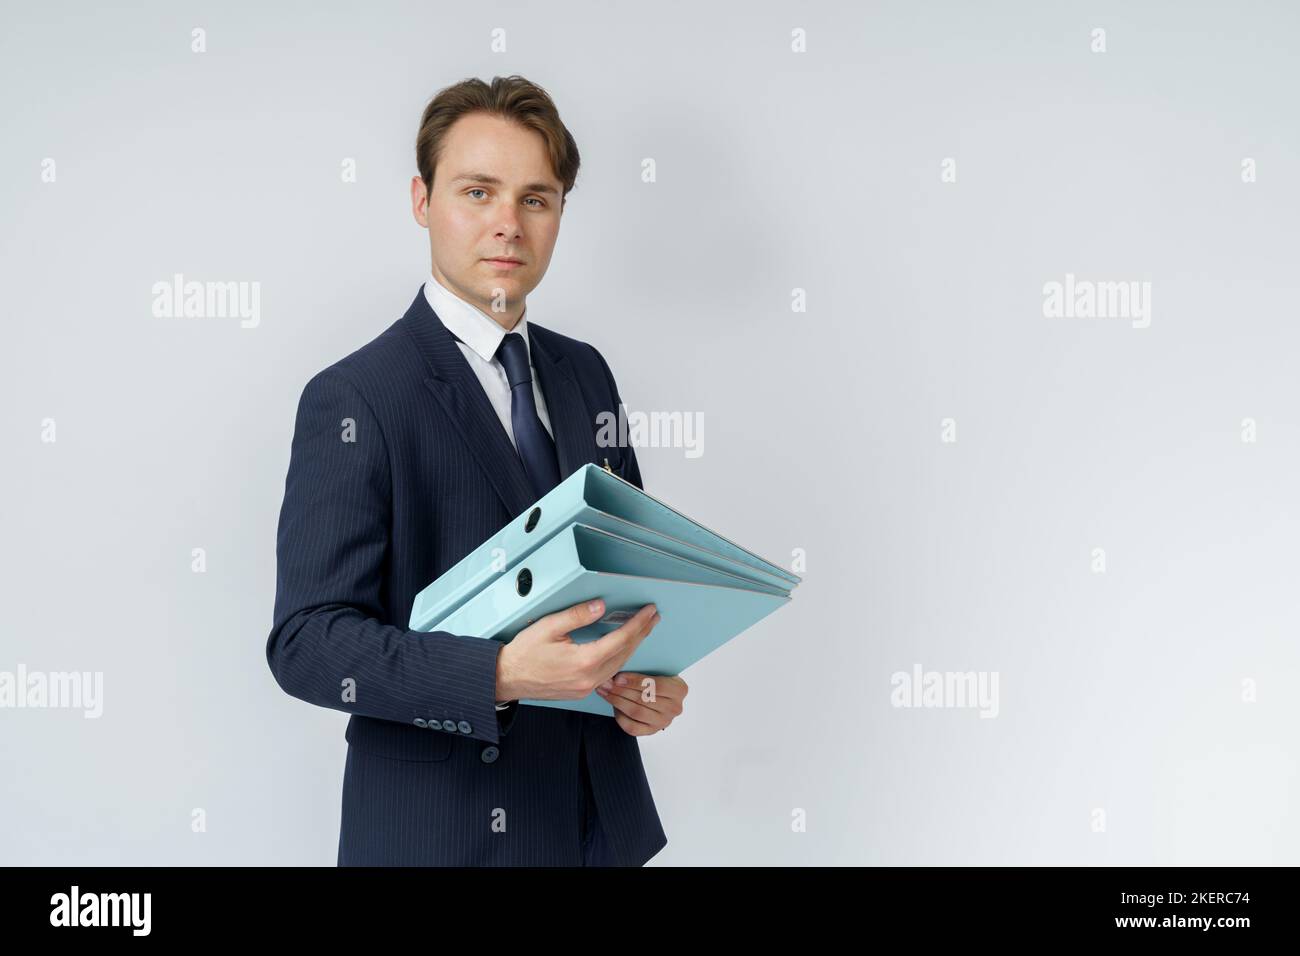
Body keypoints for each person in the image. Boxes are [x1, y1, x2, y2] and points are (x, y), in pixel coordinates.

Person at [266, 75, 690, 866]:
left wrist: (647, 679)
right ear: (422, 200)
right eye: (478, 191)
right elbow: (307, 642)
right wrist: (496, 673)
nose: (508, 223)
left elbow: (630, 571)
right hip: (442, 834)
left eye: (536, 198)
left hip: (597, 826)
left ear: (561, 214)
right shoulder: (355, 396)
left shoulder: (585, 374)